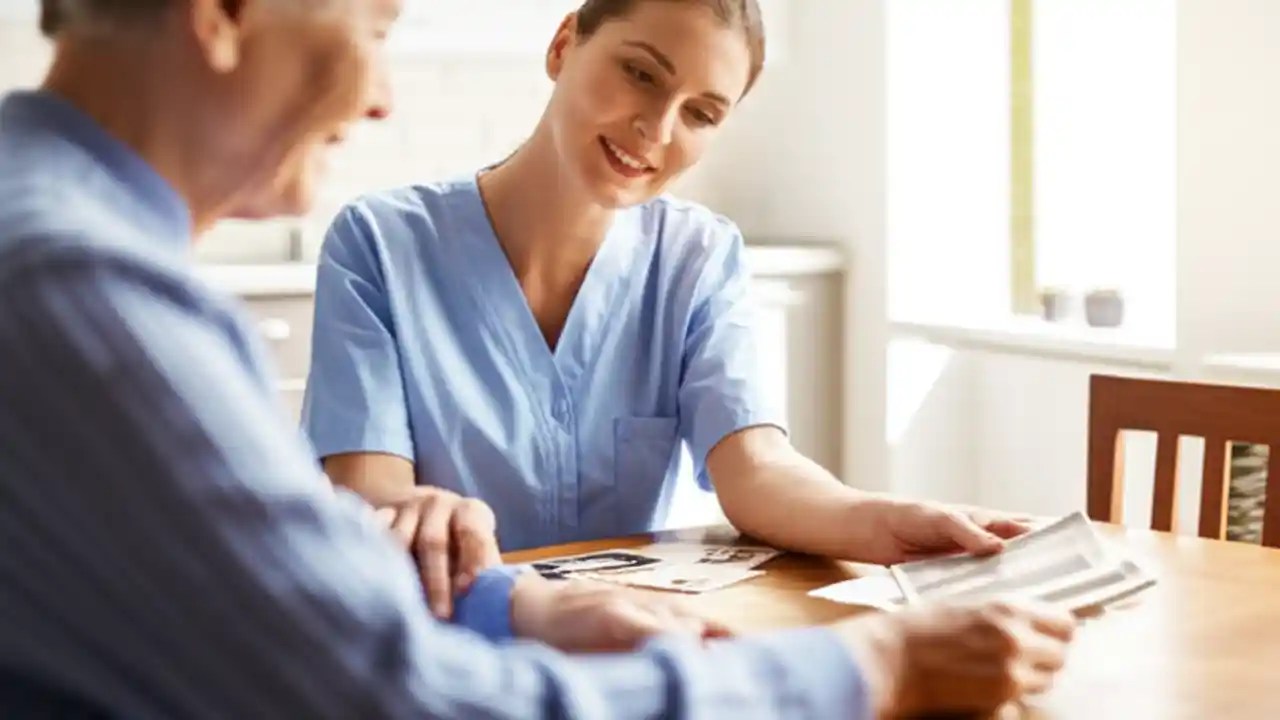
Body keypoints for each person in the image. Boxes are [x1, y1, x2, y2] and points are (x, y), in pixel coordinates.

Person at [0, 0, 1076, 717]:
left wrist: (512, 608)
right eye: (375, 23)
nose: (380, 97)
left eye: (700, 110)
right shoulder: (84, 291)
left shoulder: (60, 244)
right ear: (226, 13)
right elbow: (380, 690)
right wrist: (862, 667)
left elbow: (264, 592)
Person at [304, 0, 1038, 613]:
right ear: (564, 45)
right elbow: (377, 507)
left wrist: (883, 519)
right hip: (454, 644)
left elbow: (757, 471)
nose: (656, 129)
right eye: (639, 73)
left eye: (701, 113)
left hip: (630, 646)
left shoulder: (698, 257)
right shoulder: (380, 244)